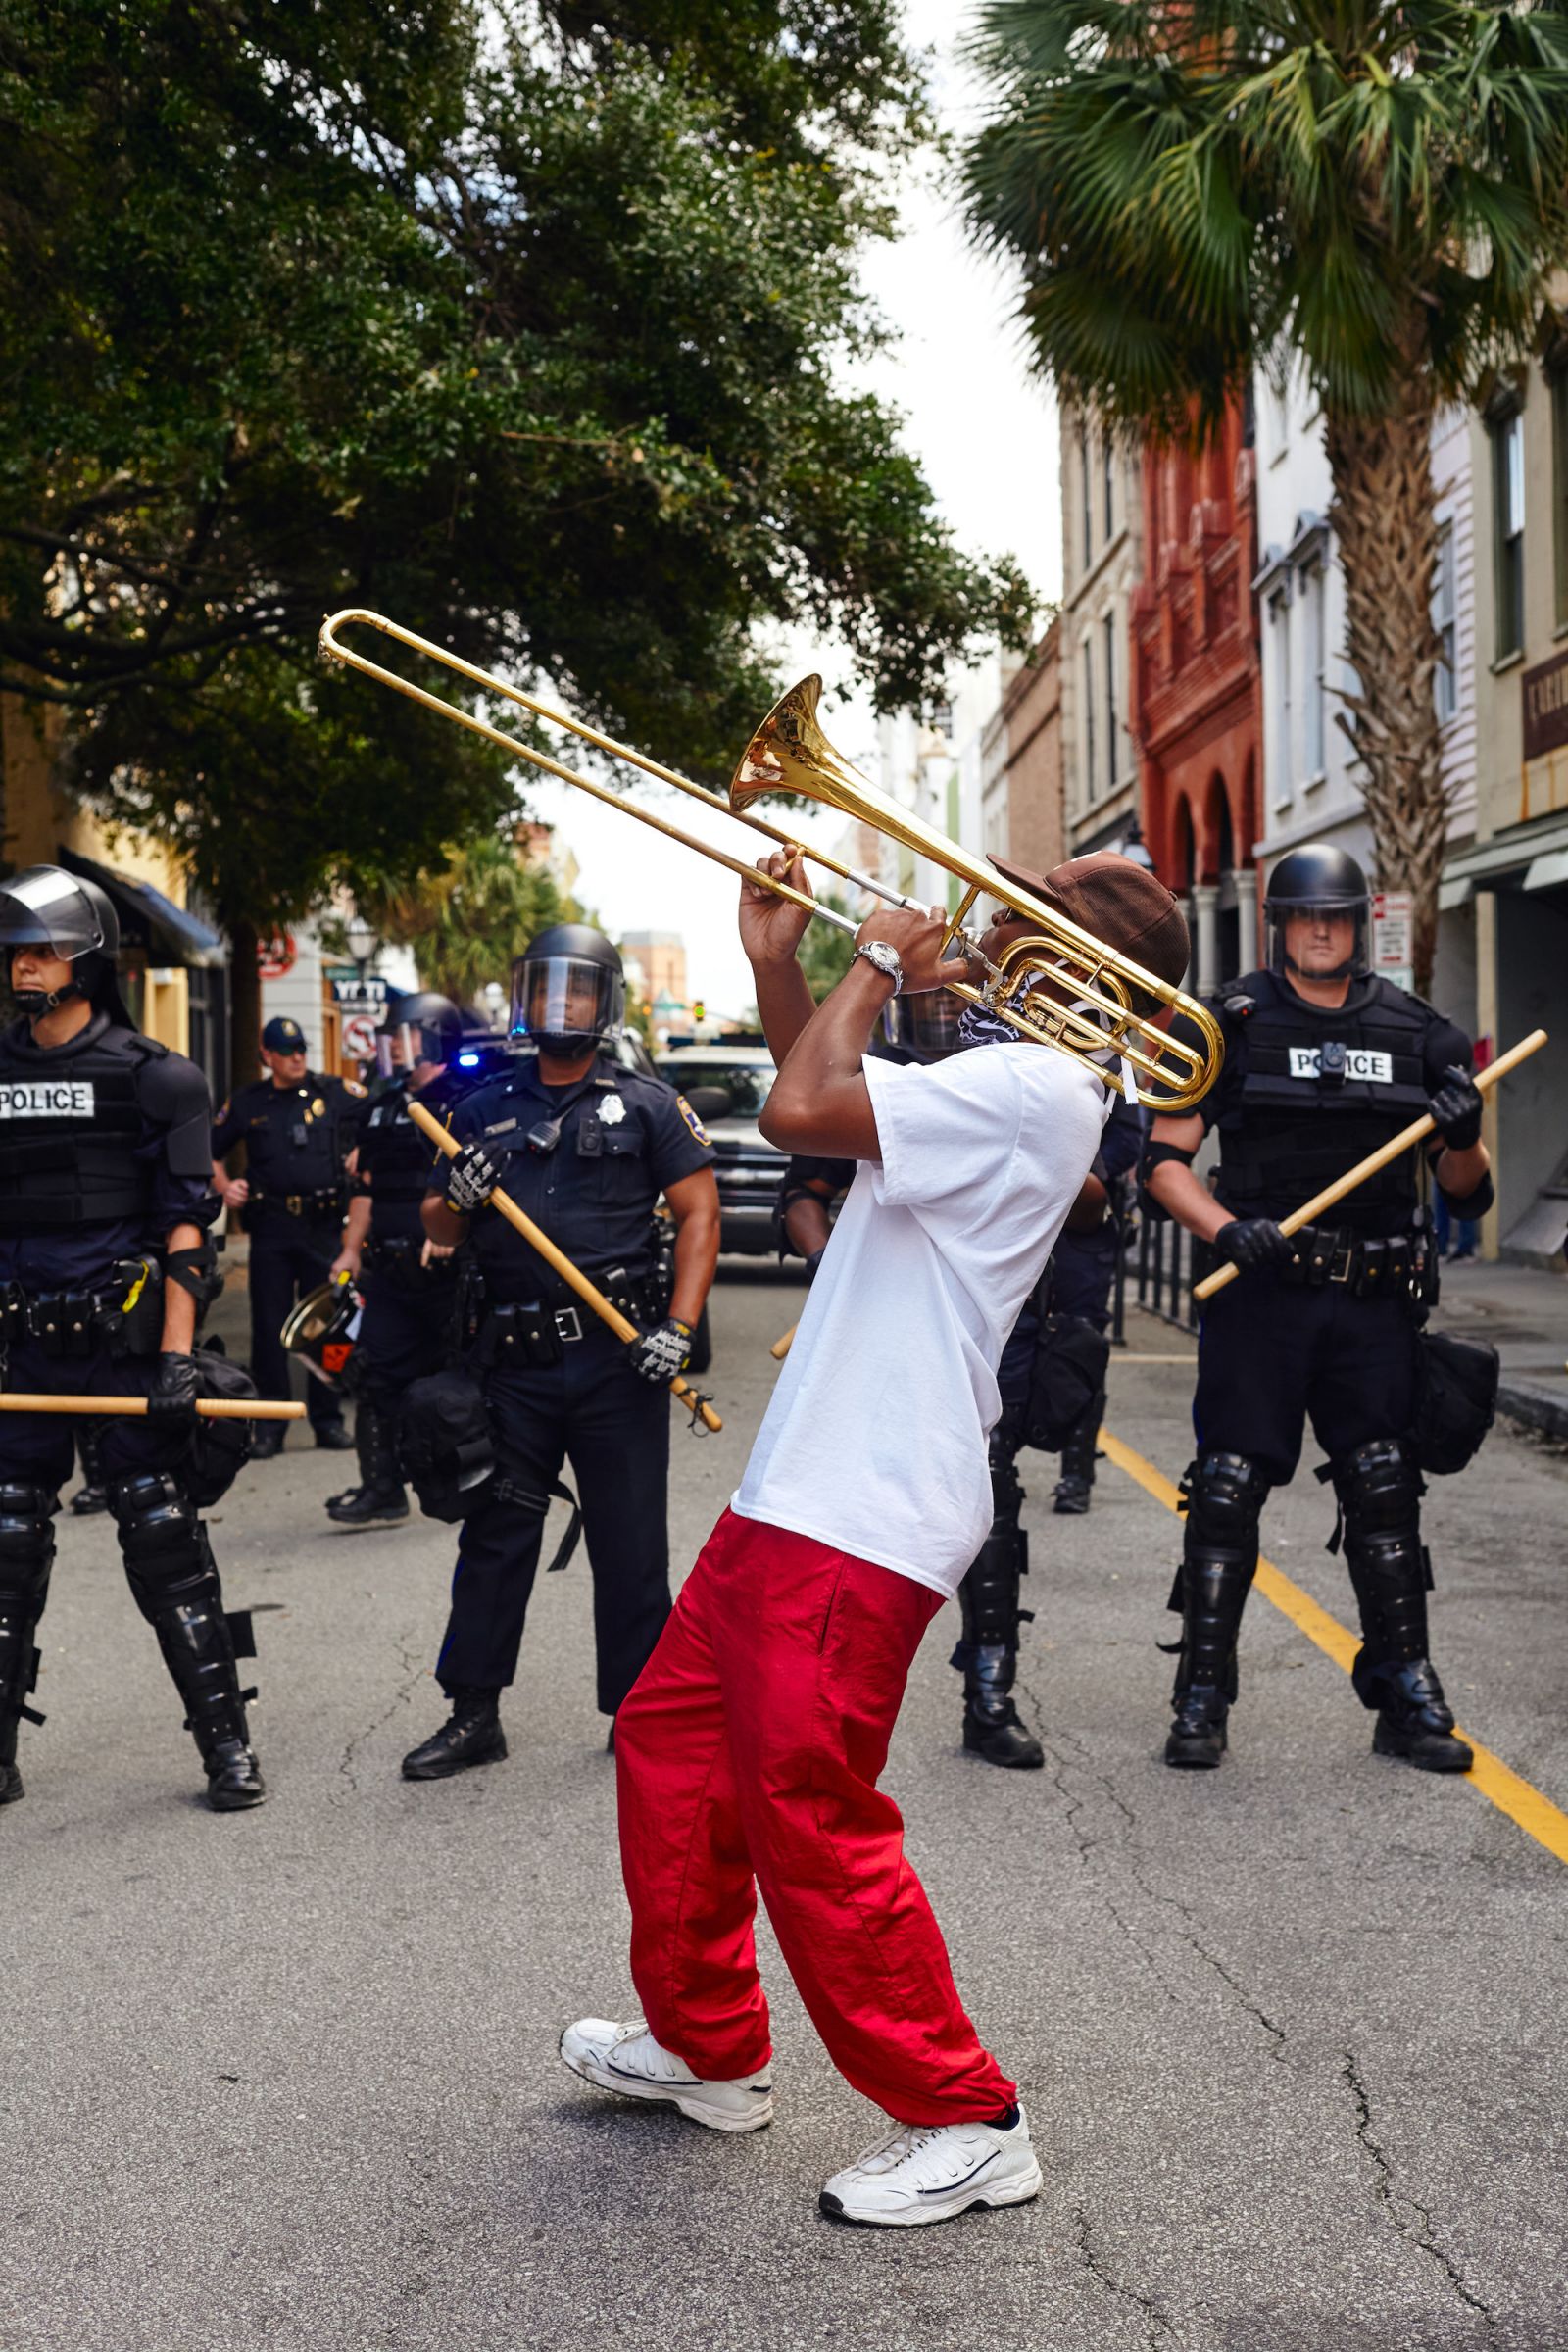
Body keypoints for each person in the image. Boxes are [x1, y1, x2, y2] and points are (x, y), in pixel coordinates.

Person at [561, 849, 1189, 2229]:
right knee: (672, 1743)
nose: (986, 934)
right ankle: (707, 2049)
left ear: (1080, 968)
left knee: (812, 1817)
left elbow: (793, 1109)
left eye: (1017, 922)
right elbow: (827, 1098)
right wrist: (783, 961)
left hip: (866, 1508)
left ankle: (967, 2115)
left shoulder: (1036, 1088)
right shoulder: (995, 1085)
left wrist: (873, 964)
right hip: (806, 1489)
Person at [1143, 843, 1494, 1776]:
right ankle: (1203, 1695)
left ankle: (1405, 1690)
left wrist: (1461, 1136)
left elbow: (1468, 1196)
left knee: (1383, 1485)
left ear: (1361, 922)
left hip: (1375, 1305)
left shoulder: (1425, 1036)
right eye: (1307, 917)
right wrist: (1225, 1232)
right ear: (1282, 925)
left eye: (1337, 916)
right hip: (1262, 1298)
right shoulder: (1228, 1026)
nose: (1323, 931)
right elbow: (1164, 1163)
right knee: (1227, 1488)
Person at [404, 924, 720, 1779]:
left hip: (619, 1361)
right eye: (543, 988)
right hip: (511, 1364)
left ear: (603, 1001)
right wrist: (458, 1199)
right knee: (496, 1535)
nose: (557, 1004)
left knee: (629, 1543)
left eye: (575, 989)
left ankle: (639, 1714)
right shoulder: (477, 1108)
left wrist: (678, 1329)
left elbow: (699, 1214)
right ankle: (474, 1713)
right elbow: (437, 1224)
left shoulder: (647, 1104)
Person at [0, 866, 264, 1810]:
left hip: (122, 1346)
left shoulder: (158, 1076)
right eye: (15, 952)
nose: (21, 966)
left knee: (163, 1539)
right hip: (20, 1347)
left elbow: (186, 1230)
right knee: (7, 1545)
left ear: (85, 961)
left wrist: (177, 1358)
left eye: (39, 951)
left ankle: (228, 1749)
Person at [322, 994, 471, 1526]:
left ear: (433, 1039)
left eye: (403, 1037)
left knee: (450, 1379)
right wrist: (349, 1248)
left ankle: (458, 1482)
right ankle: (381, 1488)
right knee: (374, 1375)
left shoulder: (467, 1099)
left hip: (444, 1272)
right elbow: (367, 1190)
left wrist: (455, 1230)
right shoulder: (382, 1106)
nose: (393, 1049)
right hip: (386, 1268)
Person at [211, 1016, 363, 1458]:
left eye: (301, 1049)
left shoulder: (332, 1092)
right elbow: (210, 1149)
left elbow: (375, 1119)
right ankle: (272, 1424)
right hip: (273, 1227)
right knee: (271, 1327)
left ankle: (328, 1419)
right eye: (287, 1050)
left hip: (323, 1227)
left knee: (329, 1325)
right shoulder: (248, 1101)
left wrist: (360, 1149)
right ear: (267, 1056)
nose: (298, 1057)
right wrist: (225, 1187)